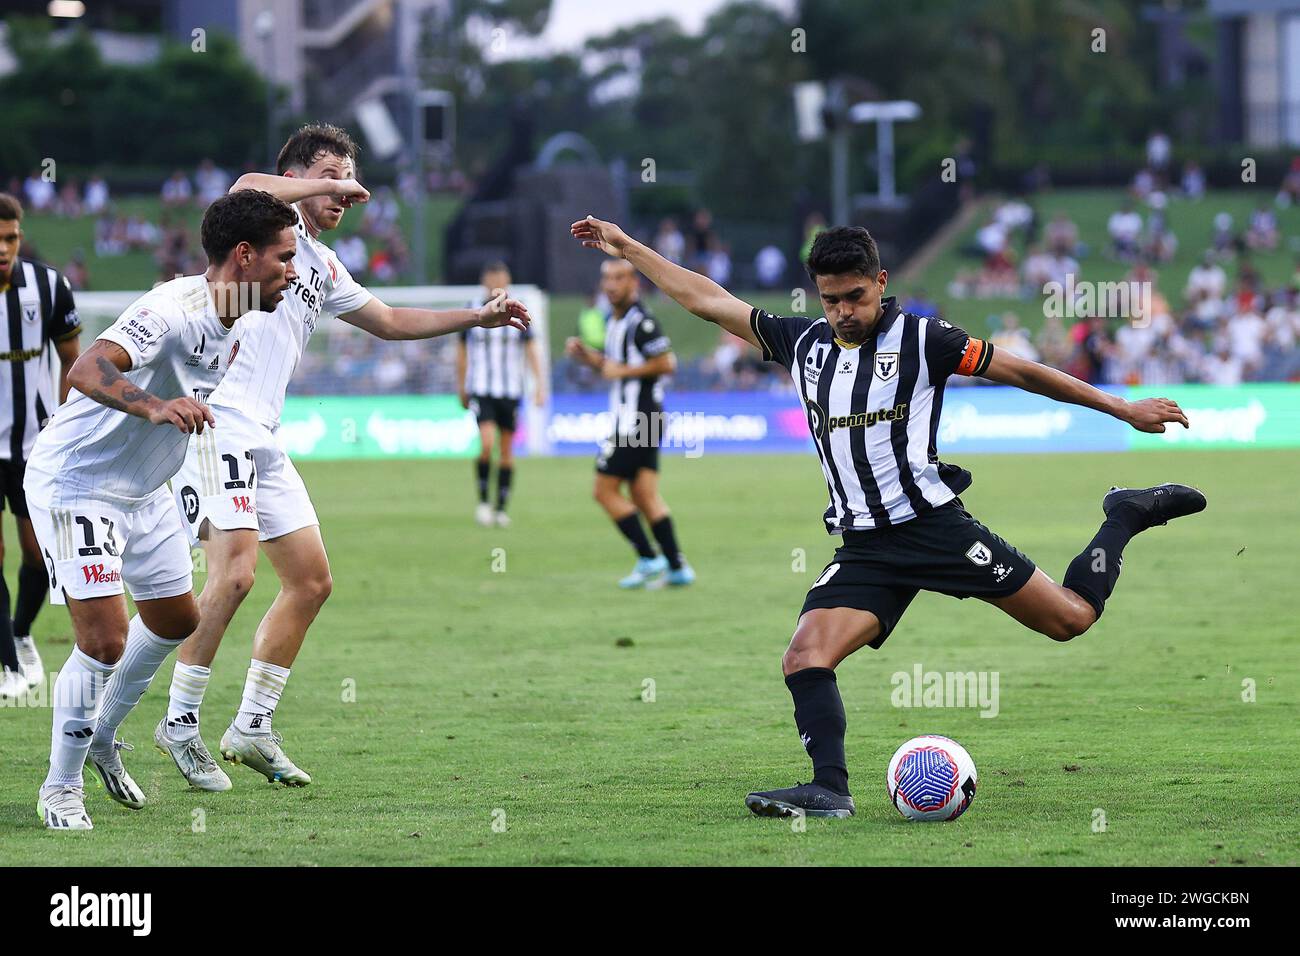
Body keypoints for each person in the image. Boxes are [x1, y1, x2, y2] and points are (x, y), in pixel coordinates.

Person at [571, 214, 1204, 818]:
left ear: (880, 283)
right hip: (865, 546)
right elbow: (707, 299)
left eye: (853, 296)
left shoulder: (925, 341)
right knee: (804, 657)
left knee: (1070, 619)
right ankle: (829, 790)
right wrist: (628, 247)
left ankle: (1123, 514)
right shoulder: (804, 343)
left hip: (935, 528)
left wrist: (1122, 409)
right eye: (829, 300)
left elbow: (1022, 372)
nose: (843, 312)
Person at [91, 124, 532, 797]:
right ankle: (179, 721)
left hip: (265, 435)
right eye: (330, 176)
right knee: (233, 576)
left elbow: (387, 320)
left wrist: (478, 316)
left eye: (349, 182)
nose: (343, 192)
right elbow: (245, 187)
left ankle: (252, 726)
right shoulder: (257, 221)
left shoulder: (319, 266)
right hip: (214, 422)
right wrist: (324, 181)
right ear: (300, 175)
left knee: (311, 581)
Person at [26, 189, 299, 829]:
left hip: (145, 489)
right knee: (103, 639)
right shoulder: (172, 309)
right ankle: (59, 787)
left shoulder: (238, 324)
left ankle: (98, 734)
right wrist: (154, 406)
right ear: (244, 255)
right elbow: (88, 368)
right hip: (79, 484)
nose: (292, 270)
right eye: (284, 257)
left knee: (178, 620)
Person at [564, 258, 694, 589]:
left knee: (603, 491)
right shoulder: (615, 322)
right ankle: (677, 567)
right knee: (644, 494)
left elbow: (666, 363)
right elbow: (614, 367)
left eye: (619, 278)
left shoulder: (642, 323)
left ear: (634, 283)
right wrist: (587, 357)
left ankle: (649, 558)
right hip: (640, 419)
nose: (611, 285)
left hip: (638, 420)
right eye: (606, 278)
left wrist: (620, 371)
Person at [0, 193, 83, 702]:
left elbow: (72, 363)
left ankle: (20, 632)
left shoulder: (49, 287)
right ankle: (7, 665)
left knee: (36, 555)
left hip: (33, 448)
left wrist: (64, 429)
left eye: (10, 238)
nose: (3, 249)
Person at [456, 261, 546, 527]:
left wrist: (539, 384)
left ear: (507, 280)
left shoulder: (517, 309)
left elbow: (531, 348)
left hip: (510, 390)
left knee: (507, 450)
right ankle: (483, 502)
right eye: (491, 277)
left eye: (501, 277)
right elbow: (461, 351)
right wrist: (461, 385)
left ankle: (501, 508)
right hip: (482, 387)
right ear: (485, 281)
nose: (496, 282)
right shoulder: (473, 309)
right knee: (485, 445)